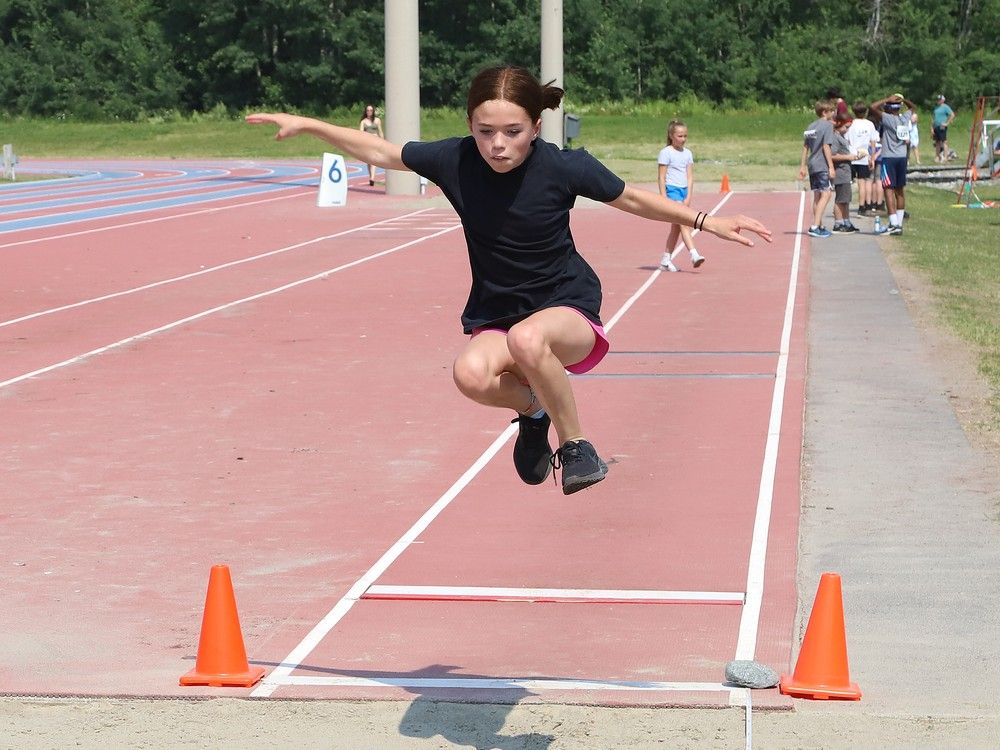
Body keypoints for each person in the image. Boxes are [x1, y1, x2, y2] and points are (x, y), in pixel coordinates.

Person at [246, 65, 772, 495]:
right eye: (485, 131)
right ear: (470, 126)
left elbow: (632, 198)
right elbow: (382, 153)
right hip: (498, 310)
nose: (498, 145)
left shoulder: (562, 167)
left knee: (529, 340)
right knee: (470, 374)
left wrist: (706, 221)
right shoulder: (454, 159)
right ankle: (534, 408)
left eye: (513, 132)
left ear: (535, 129)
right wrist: (310, 124)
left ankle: (576, 446)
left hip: (568, 306)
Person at [656, 119, 704, 272]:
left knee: (676, 228)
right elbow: (661, 177)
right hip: (672, 191)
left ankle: (666, 259)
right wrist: (663, 197)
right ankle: (694, 254)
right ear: (671, 136)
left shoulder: (688, 153)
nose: (683, 139)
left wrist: (689, 195)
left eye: (685, 136)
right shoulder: (666, 153)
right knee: (684, 223)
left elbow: (689, 177)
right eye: (680, 136)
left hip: (683, 192)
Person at [871, 92, 916, 235]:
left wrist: (886, 99)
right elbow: (913, 107)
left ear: (889, 108)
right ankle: (899, 223)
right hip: (902, 157)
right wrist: (904, 99)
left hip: (889, 158)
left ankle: (893, 223)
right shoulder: (905, 118)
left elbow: (872, 107)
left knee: (888, 190)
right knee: (900, 191)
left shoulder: (887, 119)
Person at [798, 99, 836, 238]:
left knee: (817, 195)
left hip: (812, 164)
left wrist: (802, 166)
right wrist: (831, 166)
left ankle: (819, 225)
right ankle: (814, 226)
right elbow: (826, 146)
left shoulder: (810, 126)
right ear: (825, 112)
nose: (833, 113)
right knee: (826, 193)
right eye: (832, 110)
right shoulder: (827, 126)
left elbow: (805, 147)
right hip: (821, 164)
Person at [831, 114, 863, 233]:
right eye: (846, 127)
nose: (847, 130)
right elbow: (832, 155)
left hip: (846, 171)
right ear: (839, 124)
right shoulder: (835, 137)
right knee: (840, 199)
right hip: (840, 171)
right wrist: (849, 157)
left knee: (846, 198)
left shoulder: (841, 136)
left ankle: (846, 221)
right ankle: (838, 223)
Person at [846, 100, 878, 216]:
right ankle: (865, 205)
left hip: (853, 155)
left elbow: (847, 140)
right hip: (865, 155)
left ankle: (858, 205)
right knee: (865, 181)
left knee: (856, 182)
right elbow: (873, 141)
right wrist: (872, 157)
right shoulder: (870, 124)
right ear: (866, 112)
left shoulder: (851, 124)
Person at [358, 104, 384, 185]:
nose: (369, 112)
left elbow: (380, 131)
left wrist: (382, 141)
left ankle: (372, 178)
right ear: (365, 112)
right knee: (369, 161)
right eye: (368, 110)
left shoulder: (377, 120)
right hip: (367, 143)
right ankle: (371, 177)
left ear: (373, 111)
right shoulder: (363, 122)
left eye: (371, 110)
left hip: (375, 142)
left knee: (373, 160)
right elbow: (361, 133)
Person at [932, 95, 955, 163]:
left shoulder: (945, 107)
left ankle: (945, 157)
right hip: (936, 126)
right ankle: (937, 156)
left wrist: (947, 123)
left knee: (944, 141)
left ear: (943, 100)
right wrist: (932, 128)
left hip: (942, 126)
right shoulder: (936, 108)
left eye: (939, 99)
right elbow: (933, 118)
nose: (938, 101)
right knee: (937, 142)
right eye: (937, 99)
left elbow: (952, 114)